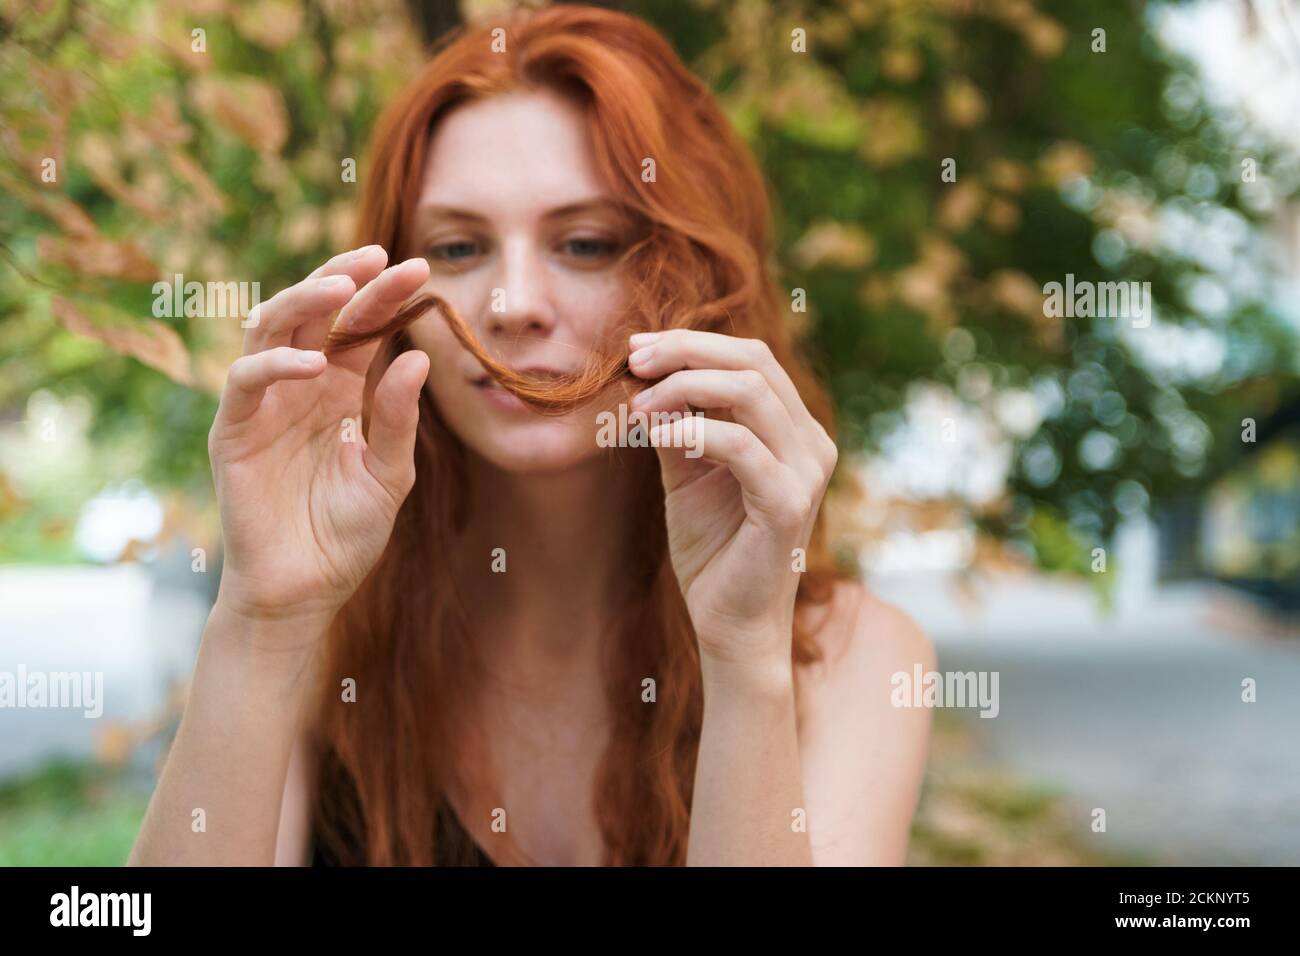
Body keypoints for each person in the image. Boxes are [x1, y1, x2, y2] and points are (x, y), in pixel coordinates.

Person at [129, 4, 935, 867]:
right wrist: (263, 618)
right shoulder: (321, 640)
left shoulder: (855, 657)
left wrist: (743, 661)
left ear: (698, 279)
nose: (513, 306)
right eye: (460, 247)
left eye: (585, 244)